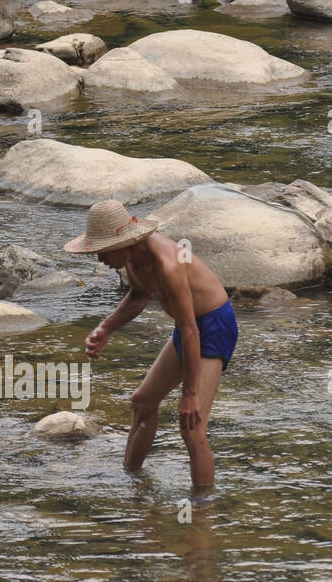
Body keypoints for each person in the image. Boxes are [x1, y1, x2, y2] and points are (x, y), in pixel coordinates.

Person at [64, 199, 237, 489]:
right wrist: (106, 328)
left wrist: (190, 394)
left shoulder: (168, 264)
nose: (99, 260)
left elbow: (191, 331)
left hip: (212, 327)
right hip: (190, 329)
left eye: (102, 251)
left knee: (192, 428)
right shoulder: (133, 259)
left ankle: (203, 514)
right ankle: (132, 483)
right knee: (142, 403)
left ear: (123, 244)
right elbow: (140, 296)